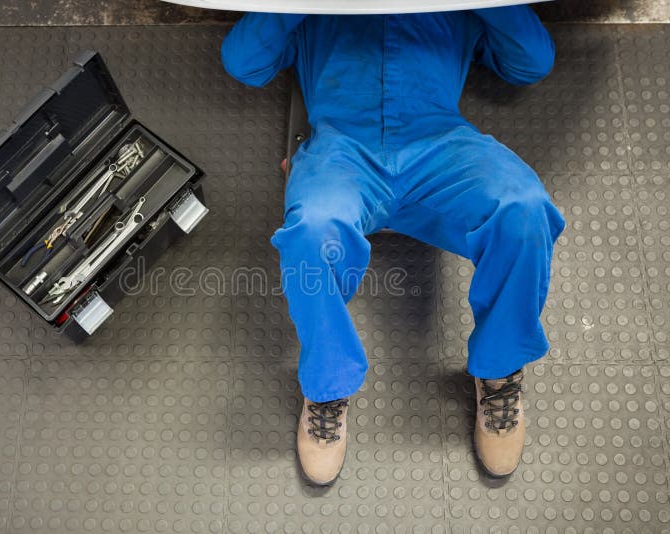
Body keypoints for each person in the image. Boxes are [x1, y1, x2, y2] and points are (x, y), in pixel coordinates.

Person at [221, 7, 566, 484]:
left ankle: (500, 371)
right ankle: (326, 389)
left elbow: (530, 63)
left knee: (524, 210)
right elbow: (243, 63)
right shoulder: (321, 15)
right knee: (311, 231)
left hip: (439, 147)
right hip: (344, 152)